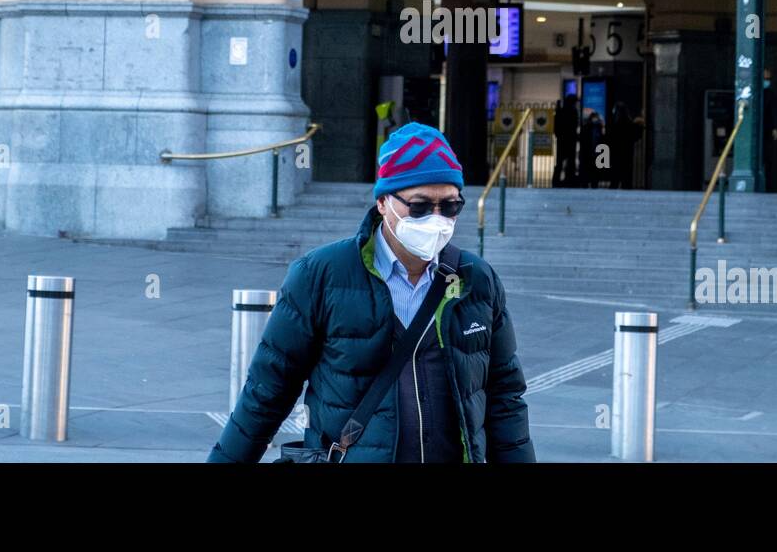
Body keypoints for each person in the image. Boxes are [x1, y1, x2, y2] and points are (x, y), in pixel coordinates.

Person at [207, 122, 535, 463]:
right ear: (383, 202)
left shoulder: (477, 280)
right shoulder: (320, 275)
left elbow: (505, 398)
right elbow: (266, 394)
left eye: (450, 206)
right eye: (420, 206)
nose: (437, 220)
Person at [608, 102, 644, 190]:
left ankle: (615, 185)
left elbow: (611, 138)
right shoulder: (629, 123)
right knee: (626, 173)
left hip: (617, 152)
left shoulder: (616, 124)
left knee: (616, 172)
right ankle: (626, 186)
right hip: (627, 152)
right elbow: (635, 136)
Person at [552, 95, 579, 187]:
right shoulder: (573, 112)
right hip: (570, 140)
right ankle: (569, 179)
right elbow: (574, 126)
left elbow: (555, 128)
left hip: (561, 140)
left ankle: (556, 181)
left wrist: (559, 135)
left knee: (559, 161)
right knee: (570, 161)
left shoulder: (560, 111)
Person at [579, 109, 605, 188]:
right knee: (592, 170)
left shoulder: (592, 127)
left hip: (592, 152)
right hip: (593, 152)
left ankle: (590, 183)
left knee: (591, 170)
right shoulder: (597, 128)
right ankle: (591, 183)